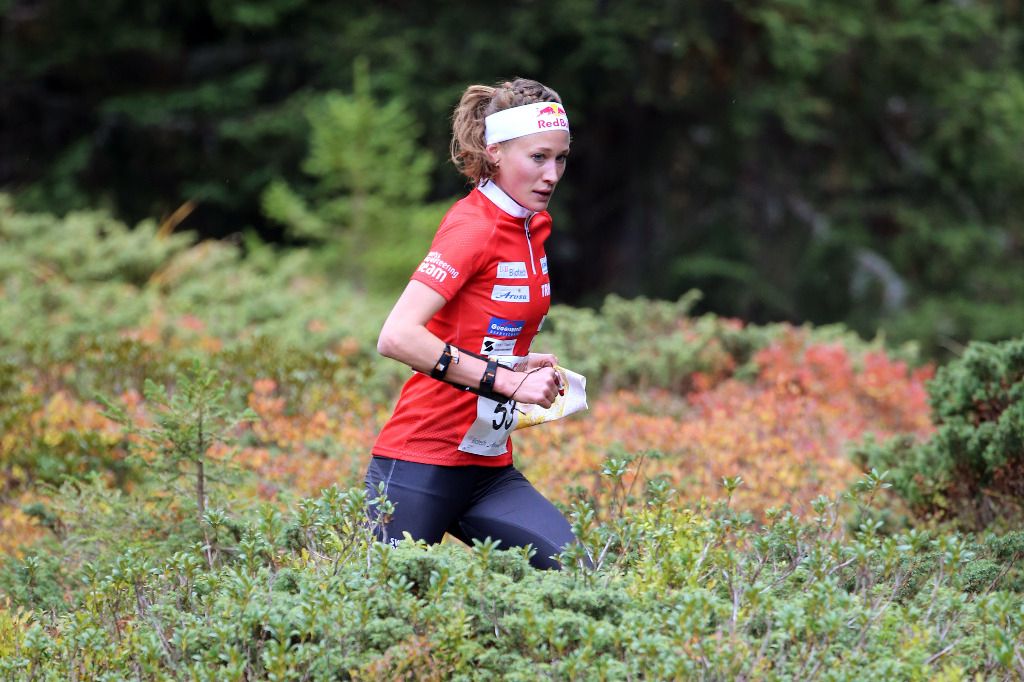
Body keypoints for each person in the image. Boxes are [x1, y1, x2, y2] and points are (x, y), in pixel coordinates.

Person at [365, 78, 578, 570]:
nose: (551, 174)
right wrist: (505, 381)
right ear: (496, 152)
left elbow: (469, 333)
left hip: (486, 466)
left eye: (561, 159)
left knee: (578, 576)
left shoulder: (531, 226)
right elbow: (397, 335)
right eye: (538, 157)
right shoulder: (474, 227)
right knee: (389, 615)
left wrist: (516, 364)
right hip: (419, 462)